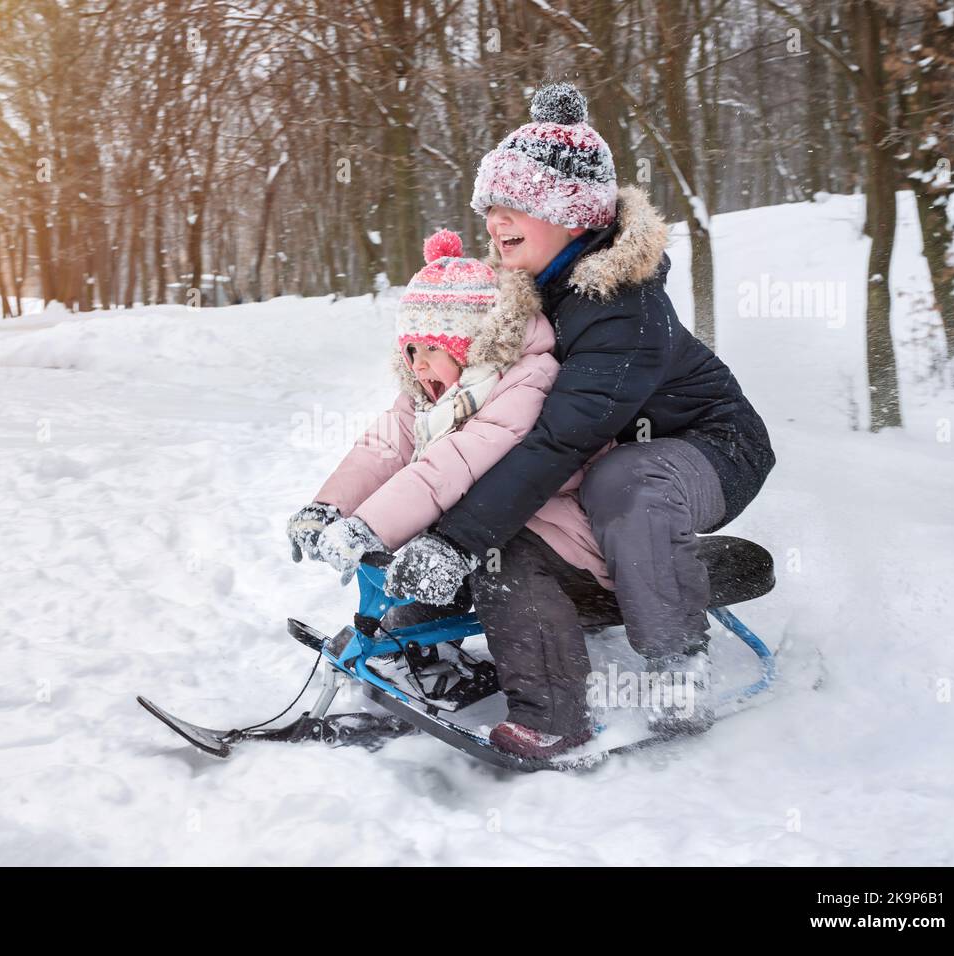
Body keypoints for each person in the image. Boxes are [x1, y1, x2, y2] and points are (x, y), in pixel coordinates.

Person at [380, 83, 777, 758]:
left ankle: (677, 663)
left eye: (518, 205)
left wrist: (456, 540)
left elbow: (558, 438)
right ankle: (419, 646)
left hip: (710, 448)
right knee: (509, 517)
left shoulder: (625, 311)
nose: (497, 220)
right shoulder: (521, 289)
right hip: (596, 456)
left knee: (624, 480)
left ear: (570, 213)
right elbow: (468, 407)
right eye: (492, 205)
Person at [286, 231, 616, 750]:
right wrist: (328, 508)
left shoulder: (527, 383)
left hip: (567, 543)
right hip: (483, 526)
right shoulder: (431, 394)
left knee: (499, 561)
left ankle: (556, 717)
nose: (417, 365)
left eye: (431, 349)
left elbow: (454, 463)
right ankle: (415, 650)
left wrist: (368, 525)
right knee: (428, 541)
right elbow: (380, 449)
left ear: (472, 344)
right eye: (409, 350)